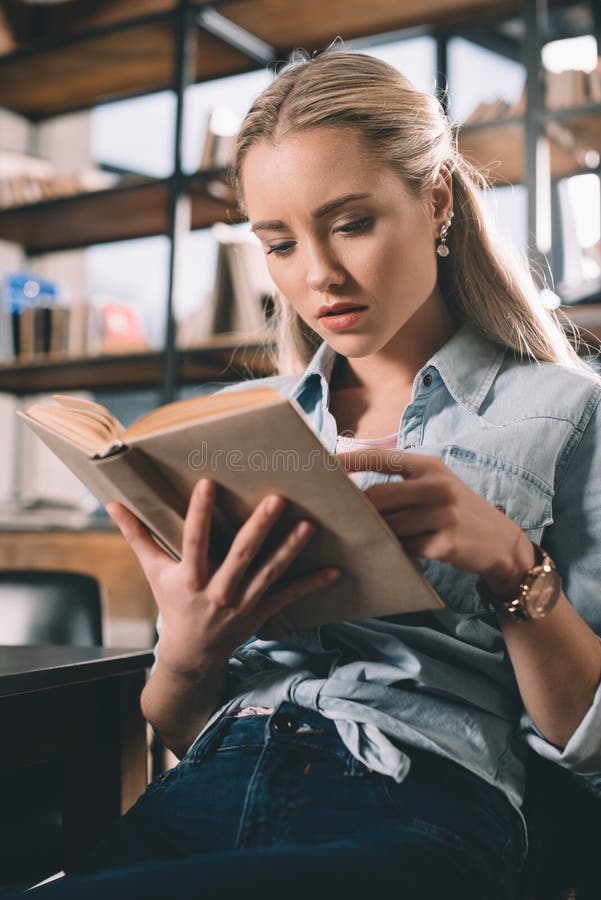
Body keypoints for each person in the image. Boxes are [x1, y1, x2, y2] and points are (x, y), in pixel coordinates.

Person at [15, 49, 601, 900]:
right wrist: (187, 647)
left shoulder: (565, 410)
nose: (316, 275)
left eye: (351, 223)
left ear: (435, 199)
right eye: (279, 243)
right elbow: (178, 725)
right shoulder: (241, 422)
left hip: (416, 802)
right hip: (202, 793)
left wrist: (514, 570)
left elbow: (592, 754)